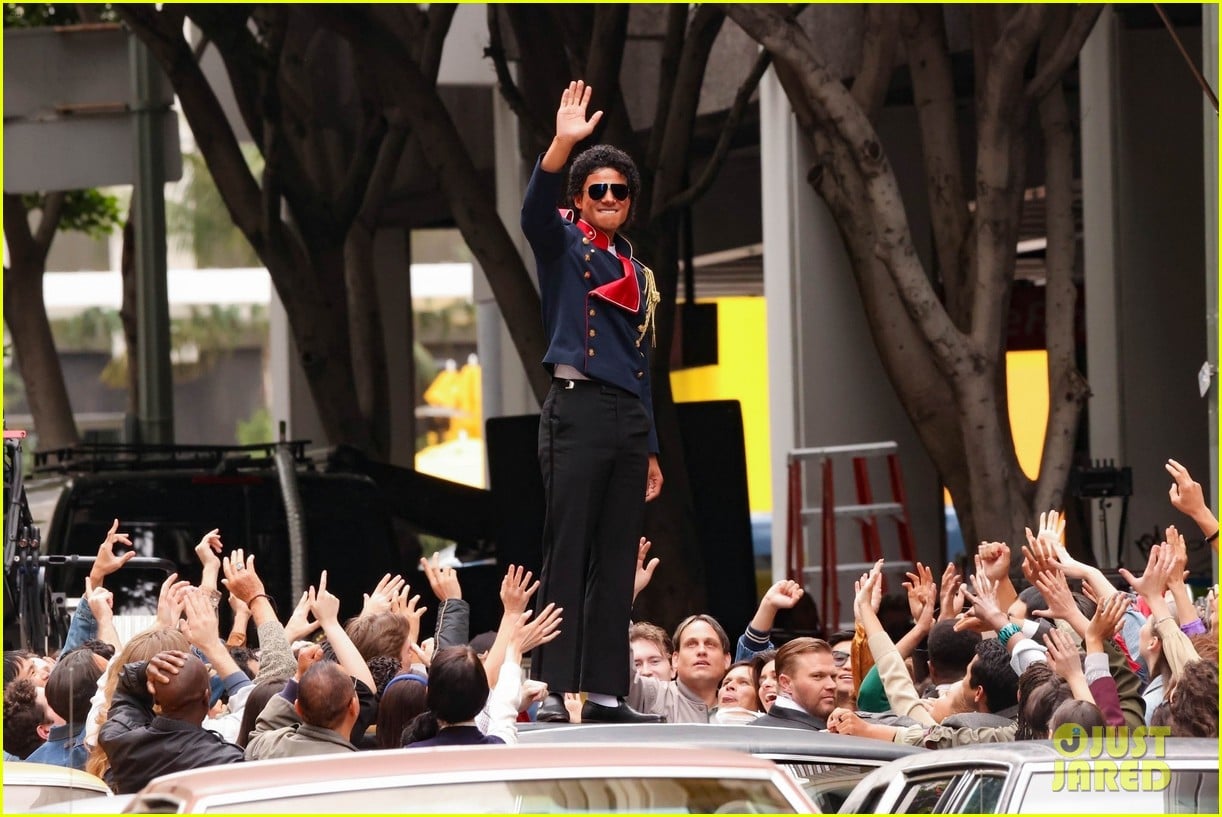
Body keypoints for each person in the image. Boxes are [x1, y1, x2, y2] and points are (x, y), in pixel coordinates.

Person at [522, 79, 662, 725]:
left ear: (628, 203)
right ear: (579, 200)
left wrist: (651, 444)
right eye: (597, 189)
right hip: (574, 409)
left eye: (619, 191)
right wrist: (562, 143)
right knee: (568, 547)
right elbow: (531, 214)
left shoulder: (638, 270)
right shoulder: (562, 245)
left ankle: (607, 693)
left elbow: (642, 363)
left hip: (626, 418)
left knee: (615, 551)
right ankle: (551, 688)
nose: (609, 198)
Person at [97, 649, 244, 793]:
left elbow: (127, 691)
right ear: (207, 697)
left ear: (156, 699)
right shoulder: (227, 761)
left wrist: (144, 671)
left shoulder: (121, 742)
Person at [748, 637, 837, 731]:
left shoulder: (751, 731)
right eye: (817, 676)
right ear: (785, 683)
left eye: (833, 676)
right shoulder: (809, 736)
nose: (832, 685)